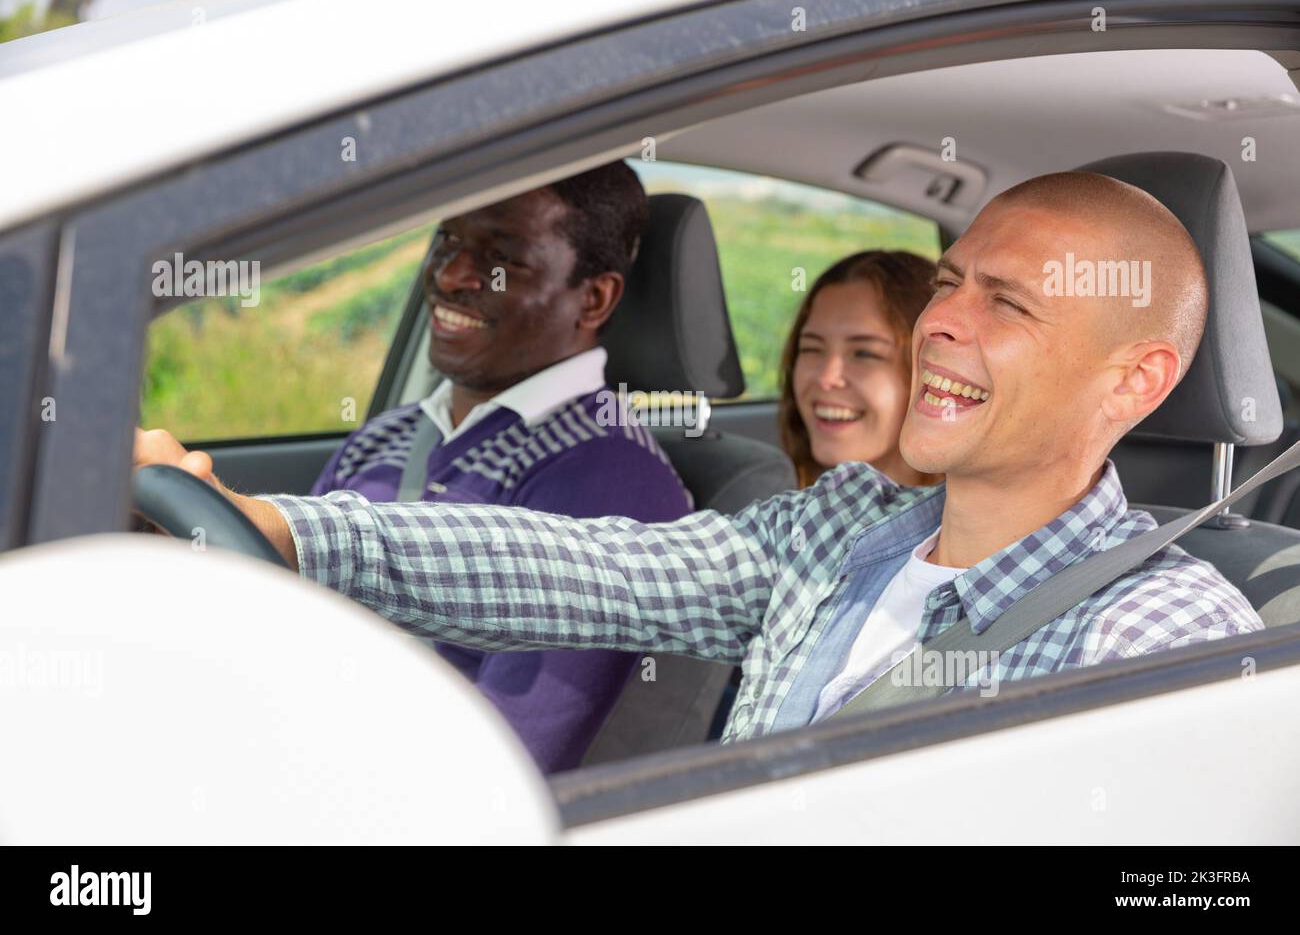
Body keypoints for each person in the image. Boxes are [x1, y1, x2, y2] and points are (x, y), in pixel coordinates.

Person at [135, 170, 1265, 744]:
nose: (942, 322)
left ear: (1136, 380)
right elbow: (586, 568)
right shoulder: (838, 528)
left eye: (1005, 301)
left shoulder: (1157, 634)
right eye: (952, 280)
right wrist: (289, 530)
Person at [298, 162, 692, 772]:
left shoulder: (611, 483)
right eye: (449, 241)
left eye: (500, 259)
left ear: (593, 298)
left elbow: (491, 775)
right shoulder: (388, 436)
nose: (451, 274)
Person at [778, 250, 941, 488]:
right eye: (812, 349)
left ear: (934, 371)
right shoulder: (782, 512)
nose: (827, 378)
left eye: (864, 353)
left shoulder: (969, 523)